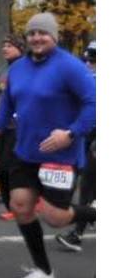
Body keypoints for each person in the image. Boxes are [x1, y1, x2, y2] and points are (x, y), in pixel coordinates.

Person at [0, 13, 96, 278]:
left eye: (43, 33)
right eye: (32, 33)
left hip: (61, 155)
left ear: (54, 37)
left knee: (56, 217)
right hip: (26, 152)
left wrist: (70, 133)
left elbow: (94, 103)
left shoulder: (70, 67)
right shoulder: (18, 68)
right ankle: (43, 272)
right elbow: (8, 101)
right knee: (20, 206)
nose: (37, 38)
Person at [56, 40, 96, 252]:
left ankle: (77, 231)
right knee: (87, 186)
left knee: (90, 184)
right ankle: (77, 233)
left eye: (95, 59)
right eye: (88, 59)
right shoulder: (85, 78)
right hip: (86, 137)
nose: (90, 63)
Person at [0, 33, 27, 221]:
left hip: (20, 127)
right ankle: (11, 205)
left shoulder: (27, 68)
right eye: (4, 45)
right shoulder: (3, 70)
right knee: (1, 167)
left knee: (11, 167)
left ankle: (18, 205)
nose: (5, 48)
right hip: (3, 126)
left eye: (10, 45)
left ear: (20, 48)